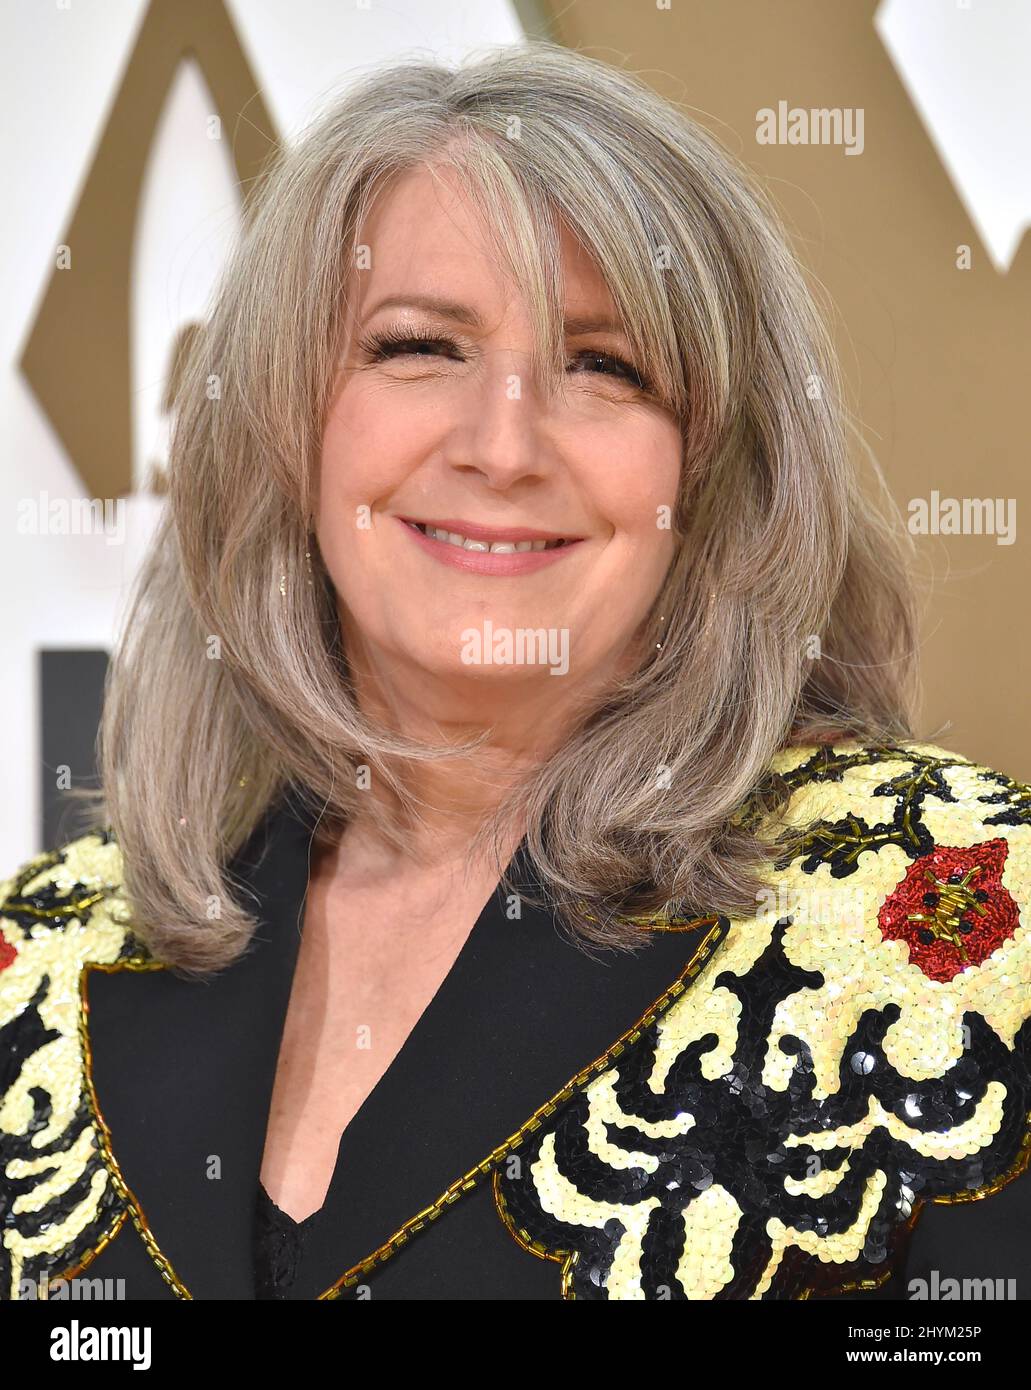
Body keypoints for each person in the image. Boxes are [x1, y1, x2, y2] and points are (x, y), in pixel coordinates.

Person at [2, 41, 1029, 1303]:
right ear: (283, 423)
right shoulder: (37, 958)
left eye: (602, 366)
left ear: (721, 470)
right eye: (419, 346)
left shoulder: (965, 916)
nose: (502, 446)